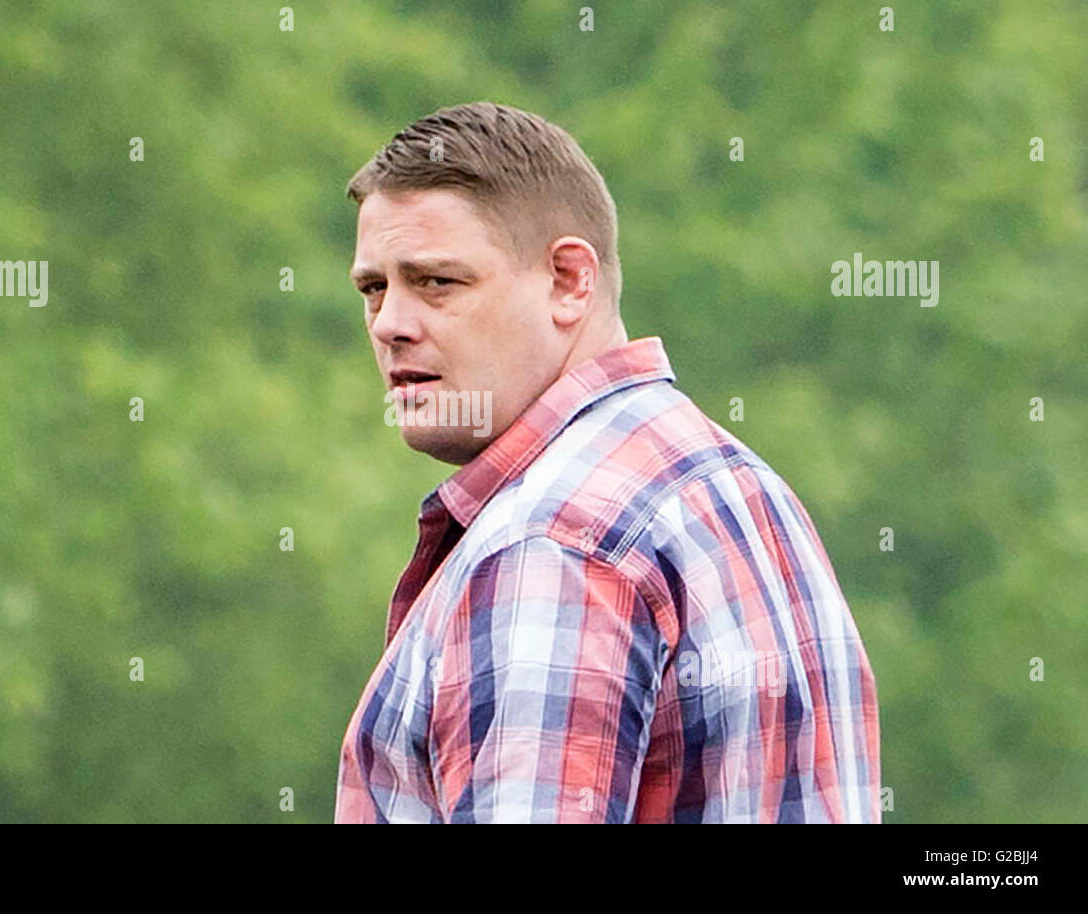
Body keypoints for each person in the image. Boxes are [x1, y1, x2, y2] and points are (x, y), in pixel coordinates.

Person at [335, 101, 880, 823]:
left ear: (569, 281)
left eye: (437, 282)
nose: (391, 324)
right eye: (374, 288)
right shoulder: (735, 484)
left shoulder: (551, 546)